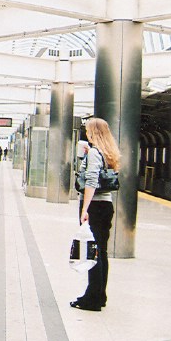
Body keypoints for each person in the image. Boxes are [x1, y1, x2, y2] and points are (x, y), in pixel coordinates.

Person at [70, 117, 121, 312]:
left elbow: (91, 182)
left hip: (94, 206)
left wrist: (85, 209)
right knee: (102, 252)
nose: (86, 133)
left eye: (88, 130)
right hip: (106, 205)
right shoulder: (109, 153)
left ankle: (91, 299)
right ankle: (100, 295)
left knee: (93, 252)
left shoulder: (93, 152)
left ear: (94, 132)